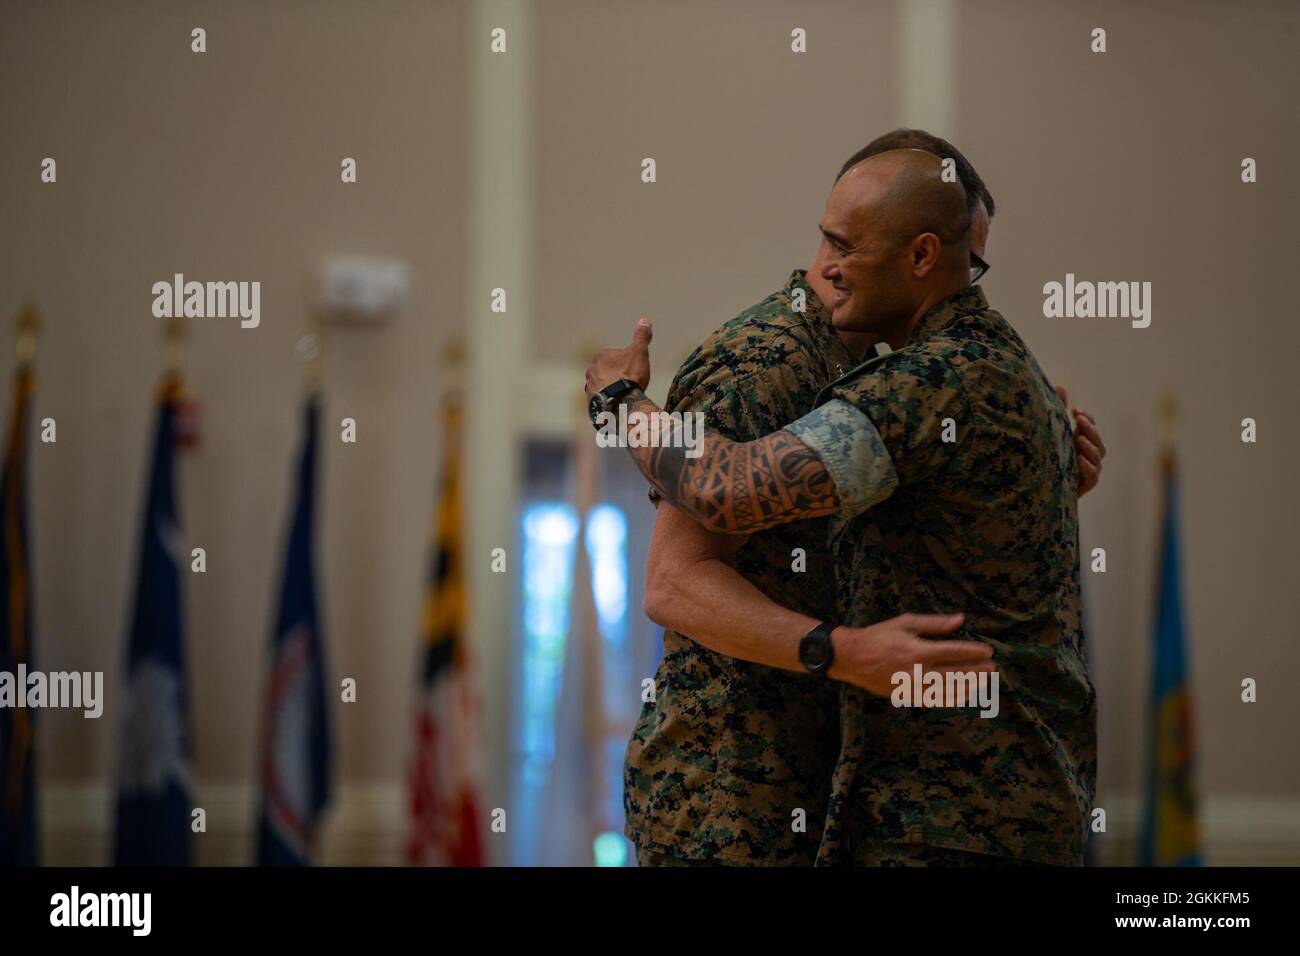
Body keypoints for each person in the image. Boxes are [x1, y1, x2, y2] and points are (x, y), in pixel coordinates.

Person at [607, 136, 1102, 866]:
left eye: (847, 246)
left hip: (947, 815)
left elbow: (725, 485)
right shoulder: (774, 357)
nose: (829, 266)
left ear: (923, 256)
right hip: (766, 802)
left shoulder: (935, 377)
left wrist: (615, 402)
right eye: (827, 240)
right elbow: (675, 580)